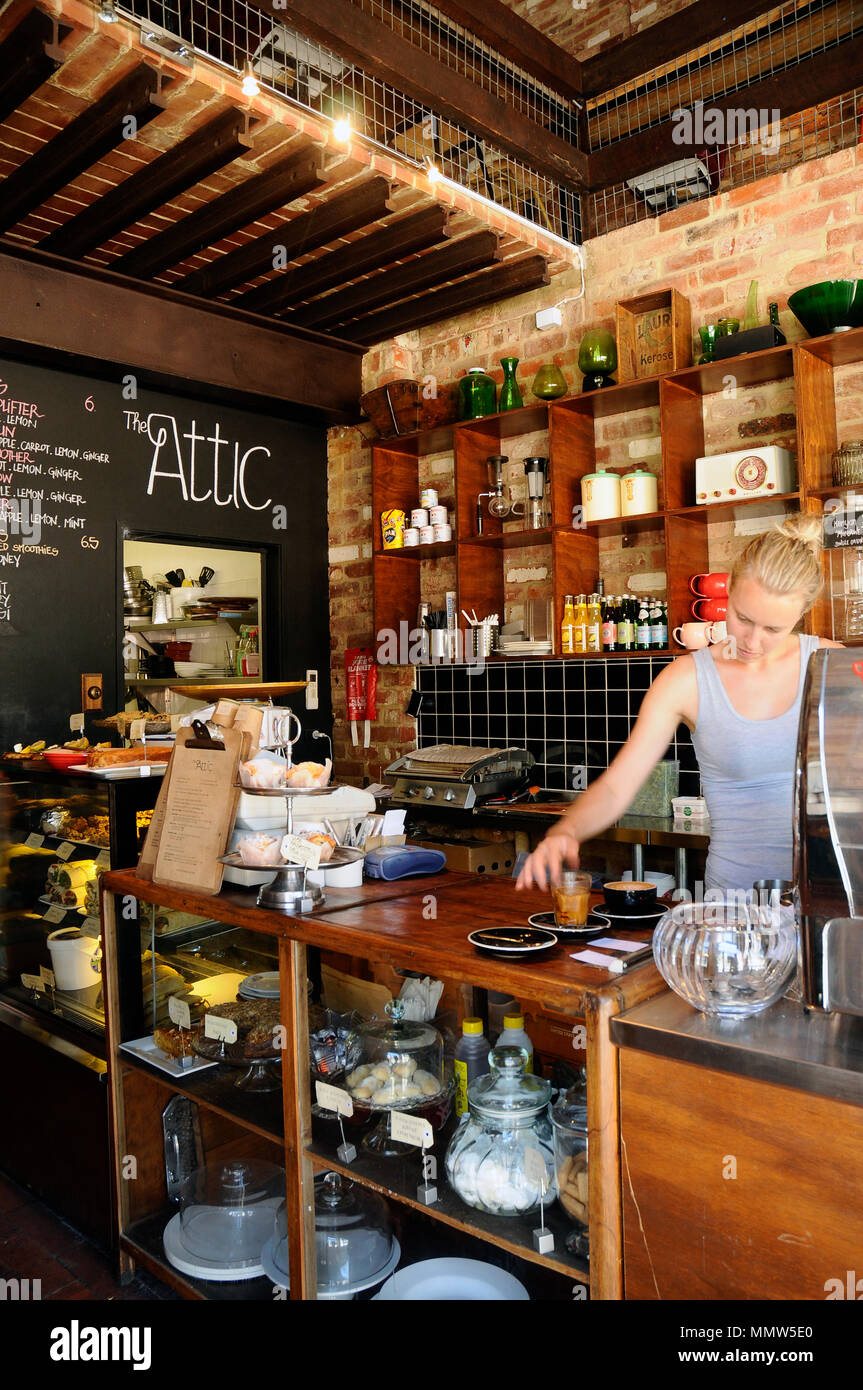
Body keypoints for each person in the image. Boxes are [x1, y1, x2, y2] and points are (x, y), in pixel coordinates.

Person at [516, 514, 842, 897]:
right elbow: (619, 785)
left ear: (801, 615)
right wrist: (567, 830)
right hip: (732, 908)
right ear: (729, 592)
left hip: (828, 900)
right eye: (742, 618)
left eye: (773, 629)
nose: (753, 641)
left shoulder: (830, 666)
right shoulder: (686, 679)